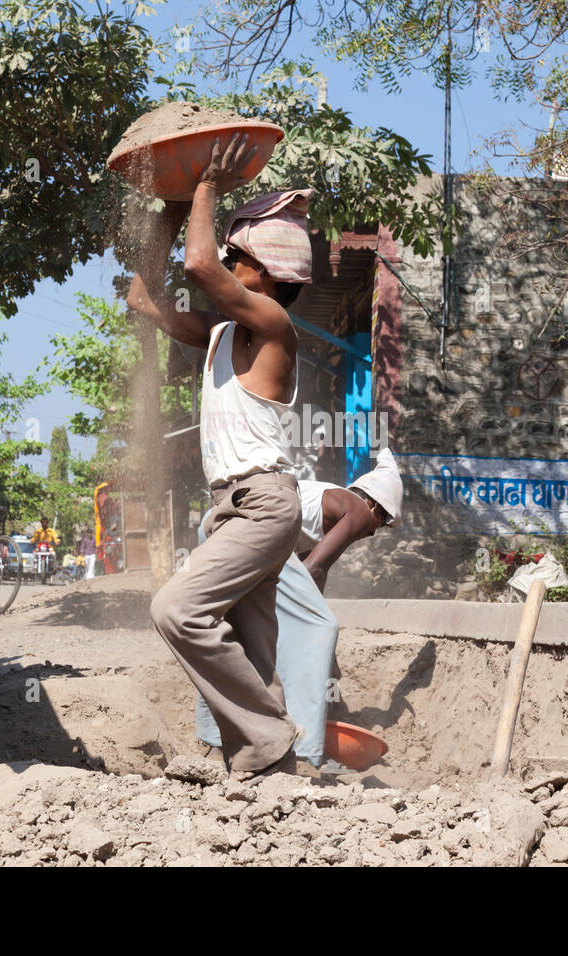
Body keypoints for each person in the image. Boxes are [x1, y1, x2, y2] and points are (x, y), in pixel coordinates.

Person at [128, 131, 316, 779]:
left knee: (176, 609)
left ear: (267, 276)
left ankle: (267, 739)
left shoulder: (274, 328)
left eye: (240, 256)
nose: (227, 264)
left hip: (264, 503)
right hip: (230, 512)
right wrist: (173, 211)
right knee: (256, 651)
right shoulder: (220, 334)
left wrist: (207, 182)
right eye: (230, 253)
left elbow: (199, 267)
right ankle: (269, 775)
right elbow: (141, 302)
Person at [194, 448, 403, 772]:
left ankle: (215, 738)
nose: (375, 532)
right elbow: (313, 570)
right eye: (383, 522)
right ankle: (303, 747)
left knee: (232, 631)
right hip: (249, 531)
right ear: (374, 504)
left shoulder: (328, 501)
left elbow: (309, 578)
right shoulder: (358, 510)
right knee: (323, 627)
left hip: (217, 525)